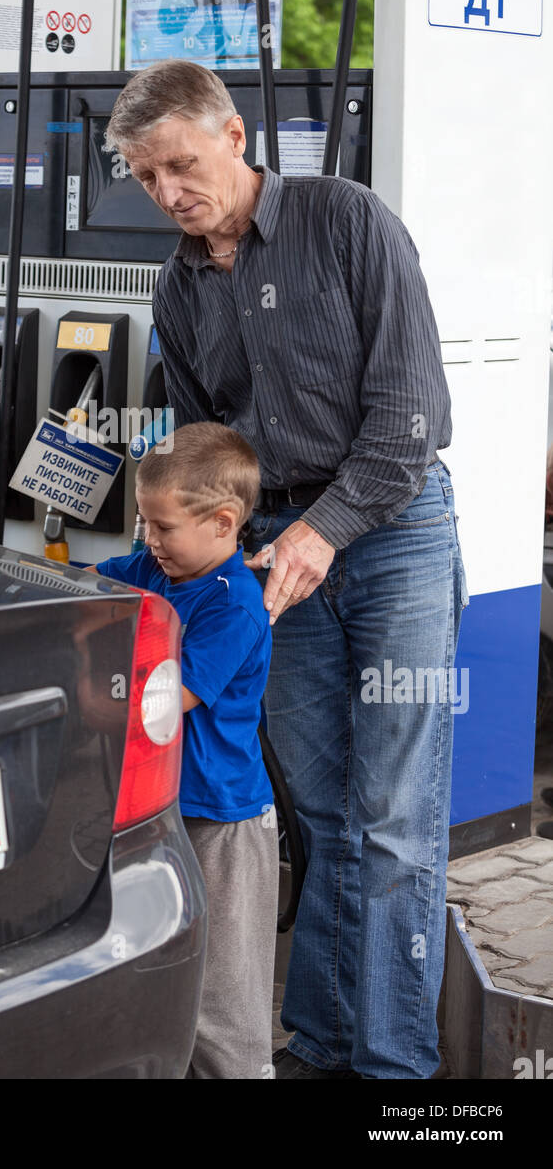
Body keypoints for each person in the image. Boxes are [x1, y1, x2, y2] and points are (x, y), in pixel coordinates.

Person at [103, 58, 468, 1081]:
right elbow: (202, 452)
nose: (168, 191)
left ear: (232, 135)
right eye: (146, 176)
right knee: (319, 813)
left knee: (396, 818)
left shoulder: (345, 221)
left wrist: (325, 530)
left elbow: (409, 418)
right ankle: (322, 1040)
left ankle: (395, 1069)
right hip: (270, 551)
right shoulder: (177, 286)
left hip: (392, 529)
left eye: (181, 164)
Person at [90, 421, 278, 1079]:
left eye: (162, 526)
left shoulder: (234, 606)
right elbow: (83, 582)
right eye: (144, 523)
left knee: (223, 996)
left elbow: (165, 703)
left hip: (223, 822)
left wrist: (79, 694)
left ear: (224, 523)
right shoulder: (153, 567)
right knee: (159, 974)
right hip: (159, 811)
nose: (148, 539)